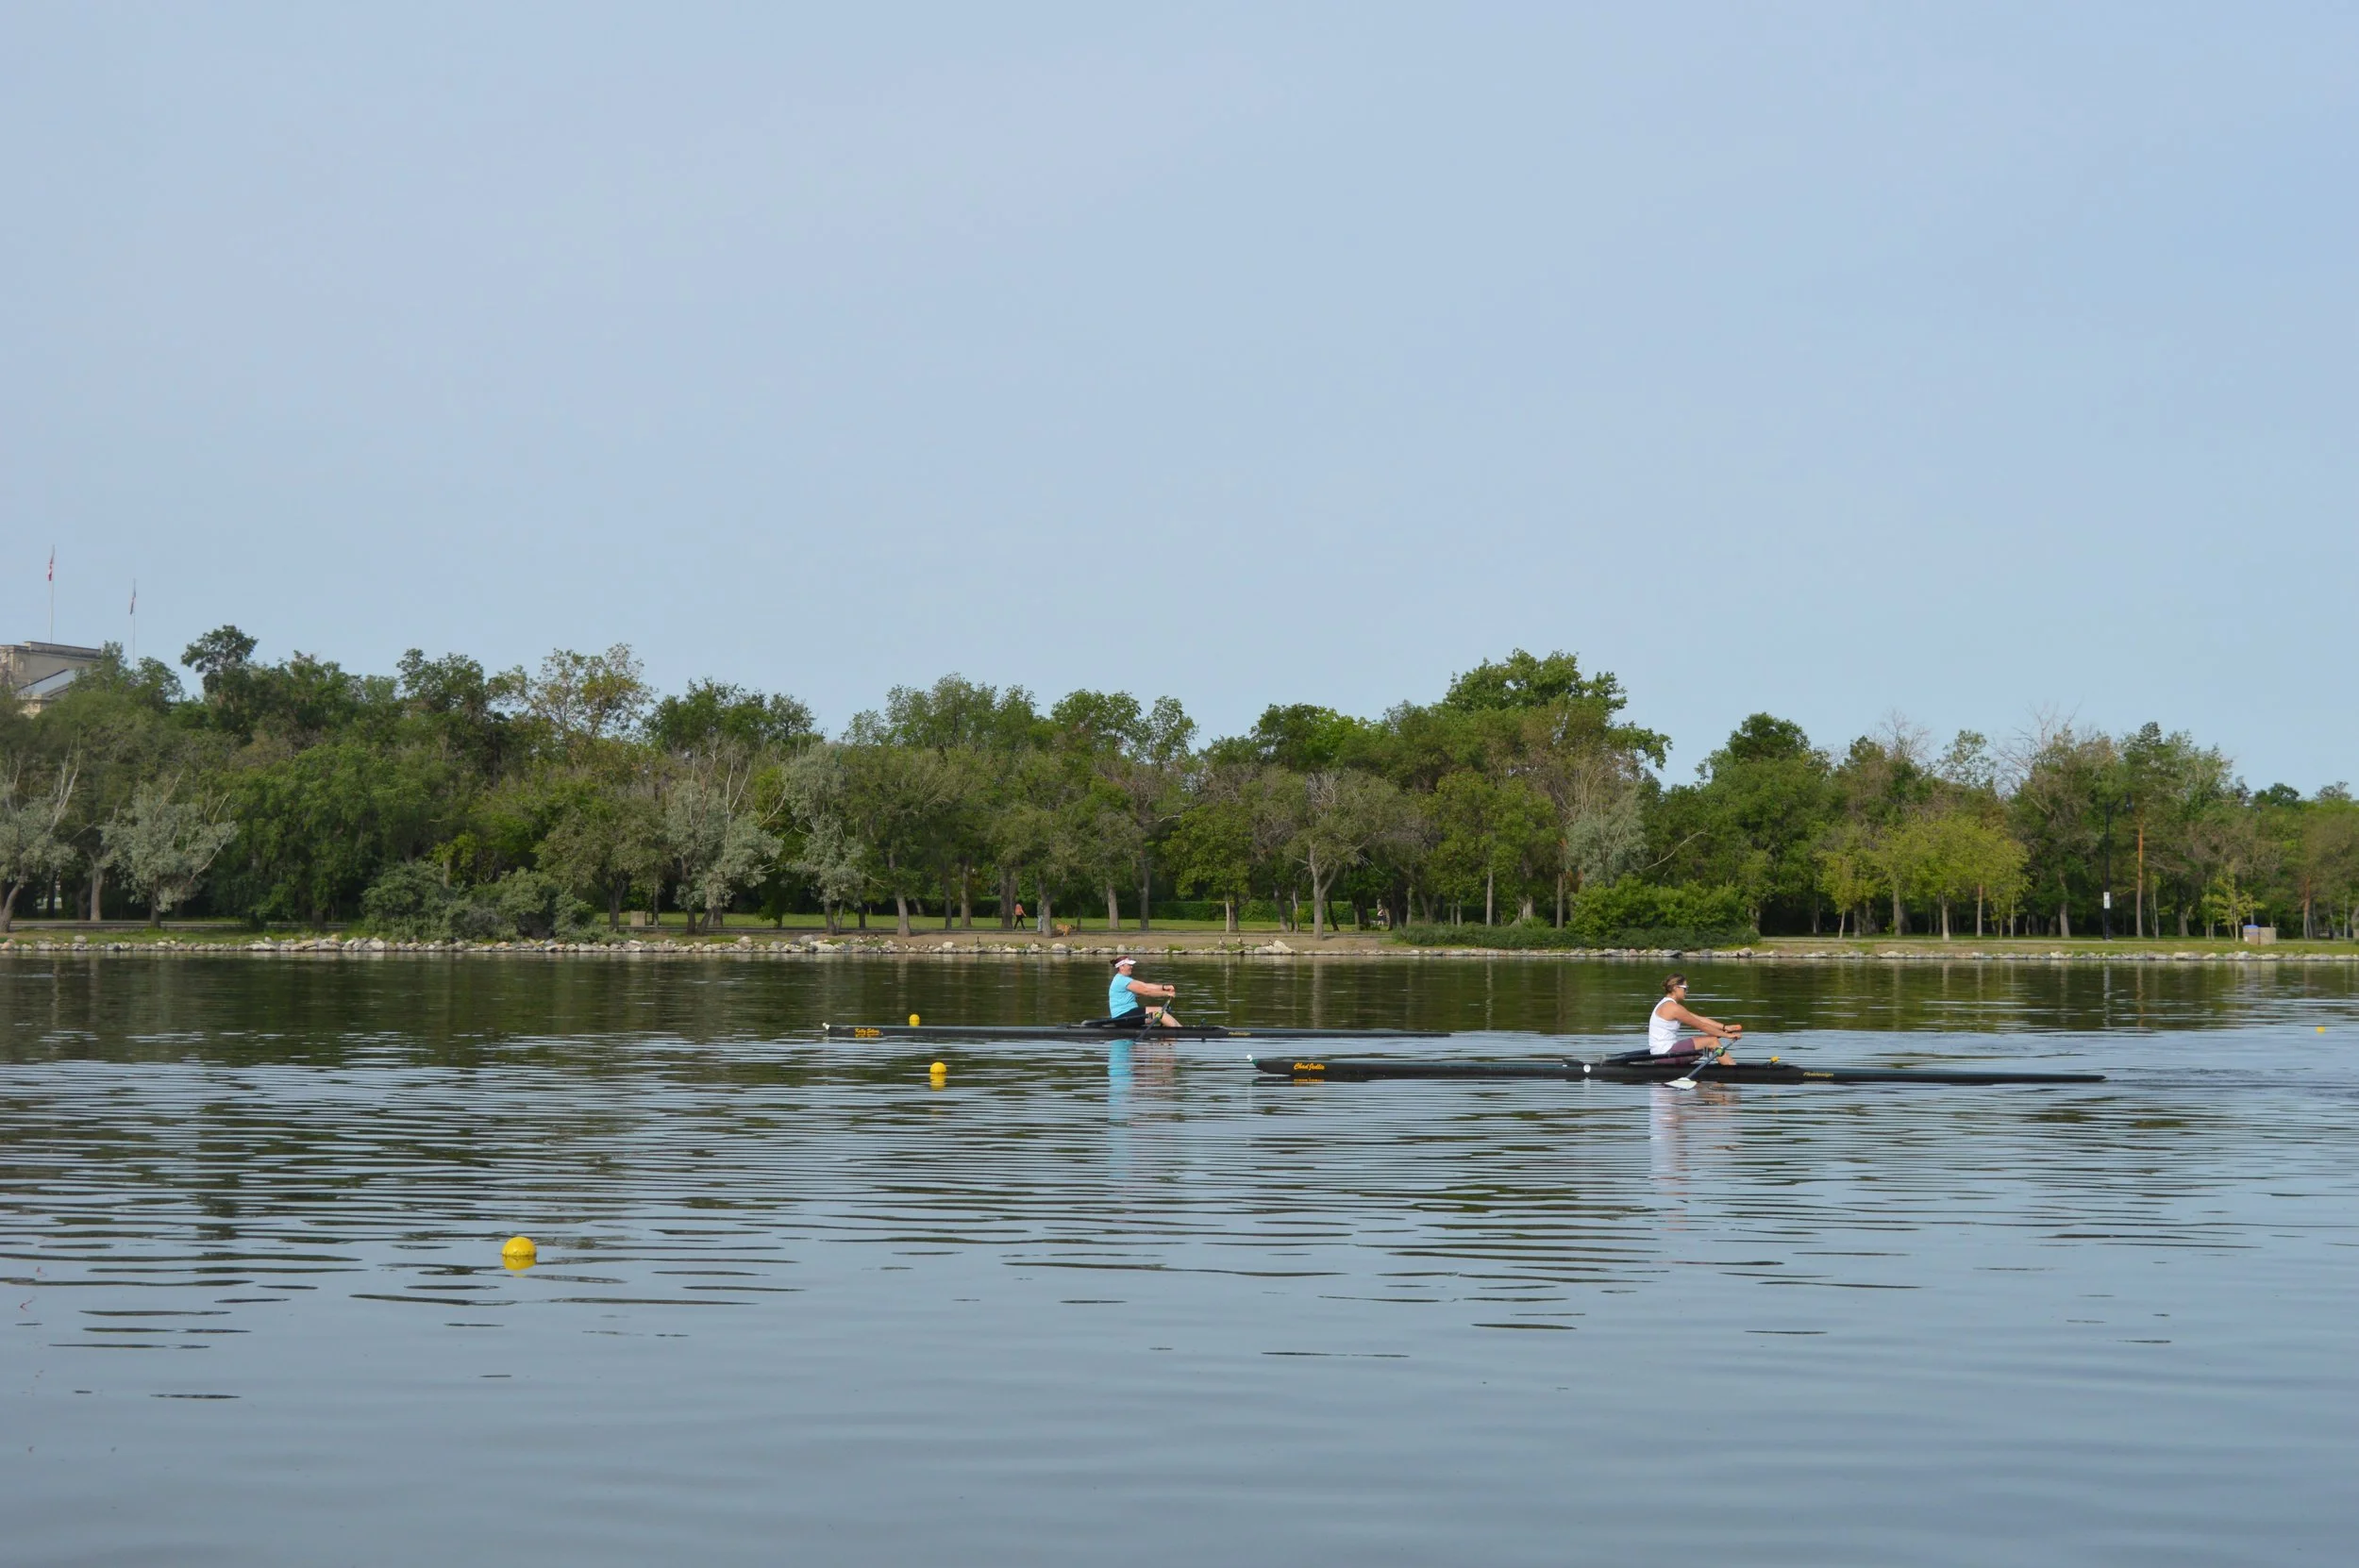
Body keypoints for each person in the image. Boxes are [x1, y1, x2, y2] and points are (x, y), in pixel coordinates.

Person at [1647, 974, 1740, 1061]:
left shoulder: (1667, 1004)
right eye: (1685, 988)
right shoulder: (1672, 1007)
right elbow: (1702, 1026)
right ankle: (1732, 1070)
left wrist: (1724, 1028)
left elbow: (1700, 1019)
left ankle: (1725, 1068)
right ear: (1675, 988)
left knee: (1711, 1038)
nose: (1687, 991)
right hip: (1664, 1055)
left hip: (1663, 1052)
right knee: (1712, 1041)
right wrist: (1728, 1035)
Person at [1106, 956, 1181, 1028]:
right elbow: (1146, 991)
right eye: (1129, 965)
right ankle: (1181, 1032)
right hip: (1123, 1017)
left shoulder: (1125, 979)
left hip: (1130, 1014)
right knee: (1160, 1014)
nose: (1131, 967)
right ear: (1121, 967)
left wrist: (1164, 987)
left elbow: (1146, 986)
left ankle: (1180, 1029)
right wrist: (1166, 993)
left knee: (1161, 1010)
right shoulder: (1121, 980)